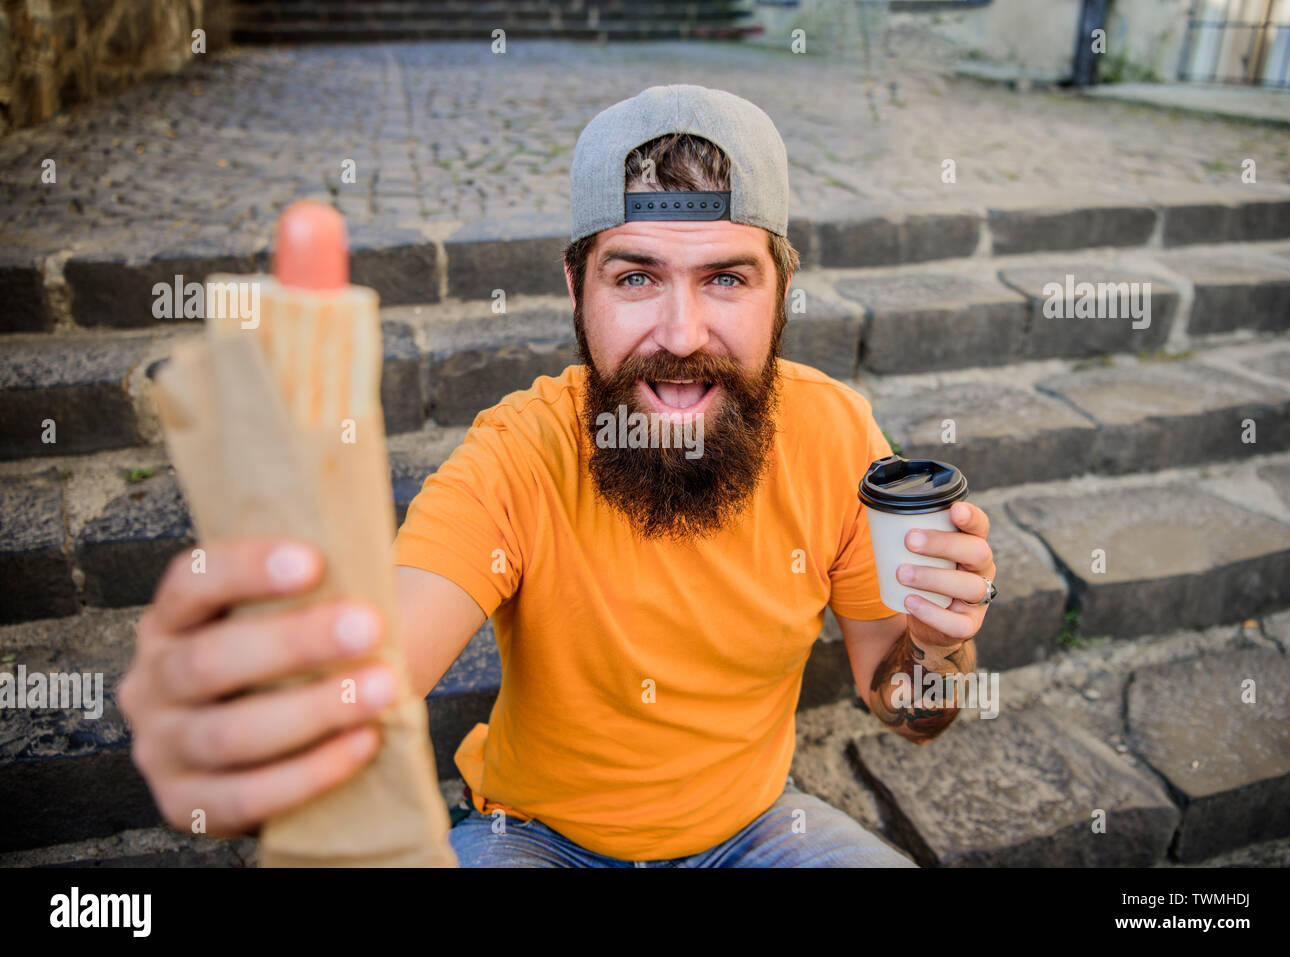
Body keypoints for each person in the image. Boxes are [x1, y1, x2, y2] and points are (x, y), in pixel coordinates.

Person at [119, 85, 998, 867]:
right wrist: (268, 704)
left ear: (781, 289)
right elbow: (373, 664)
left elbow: (907, 707)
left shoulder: (839, 433)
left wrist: (940, 639)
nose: (683, 332)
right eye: (636, 276)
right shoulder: (516, 453)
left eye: (727, 277)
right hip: (530, 837)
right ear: (576, 285)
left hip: (759, 830)